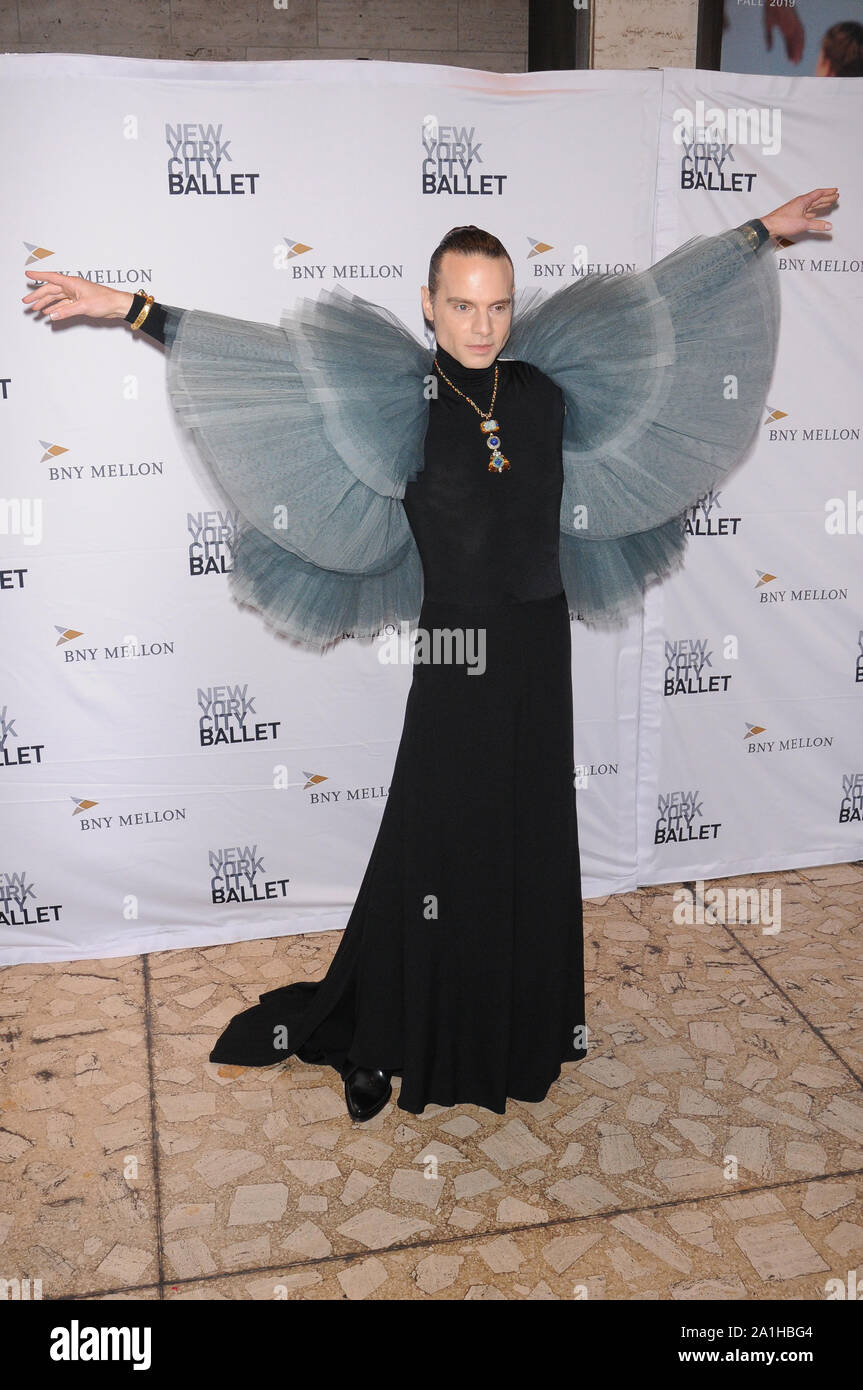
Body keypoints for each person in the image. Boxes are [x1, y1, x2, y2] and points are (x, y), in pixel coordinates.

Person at [23, 188, 837, 1123]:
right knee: (432, 847)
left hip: (537, 644)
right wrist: (129, 309)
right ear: (426, 303)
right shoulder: (398, 398)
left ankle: (515, 1029)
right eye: (461, 305)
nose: (481, 325)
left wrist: (753, 235)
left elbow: (660, 306)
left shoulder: (547, 390)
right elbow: (272, 370)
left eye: (496, 306)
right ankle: (380, 1036)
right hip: (455, 651)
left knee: (523, 842)